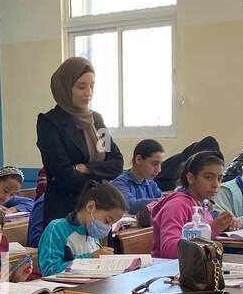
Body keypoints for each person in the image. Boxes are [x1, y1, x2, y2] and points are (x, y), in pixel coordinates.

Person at [35, 56, 123, 226]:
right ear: (65, 88)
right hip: (66, 211)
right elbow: (64, 175)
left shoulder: (96, 120)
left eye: (92, 85)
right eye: (81, 87)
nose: (88, 93)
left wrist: (86, 168)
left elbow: (117, 162)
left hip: (100, 211)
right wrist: (99, 181)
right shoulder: (50, 122)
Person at [151, 149, 237, 258]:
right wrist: (213, 229)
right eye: (208, 177)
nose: (216, 184)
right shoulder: (177, 205)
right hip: (171, 270)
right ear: (191, 178)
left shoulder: (200, 204)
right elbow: (169, 249)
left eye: (219, 179)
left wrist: (225, 226)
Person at [111, 139, 165, 210]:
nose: (159, 170)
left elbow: (163, 202)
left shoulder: (152, 184)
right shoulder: (118, 184)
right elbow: (130, 206)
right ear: (138, 159)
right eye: (154, 164)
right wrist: (160, 201)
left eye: (160, 164)